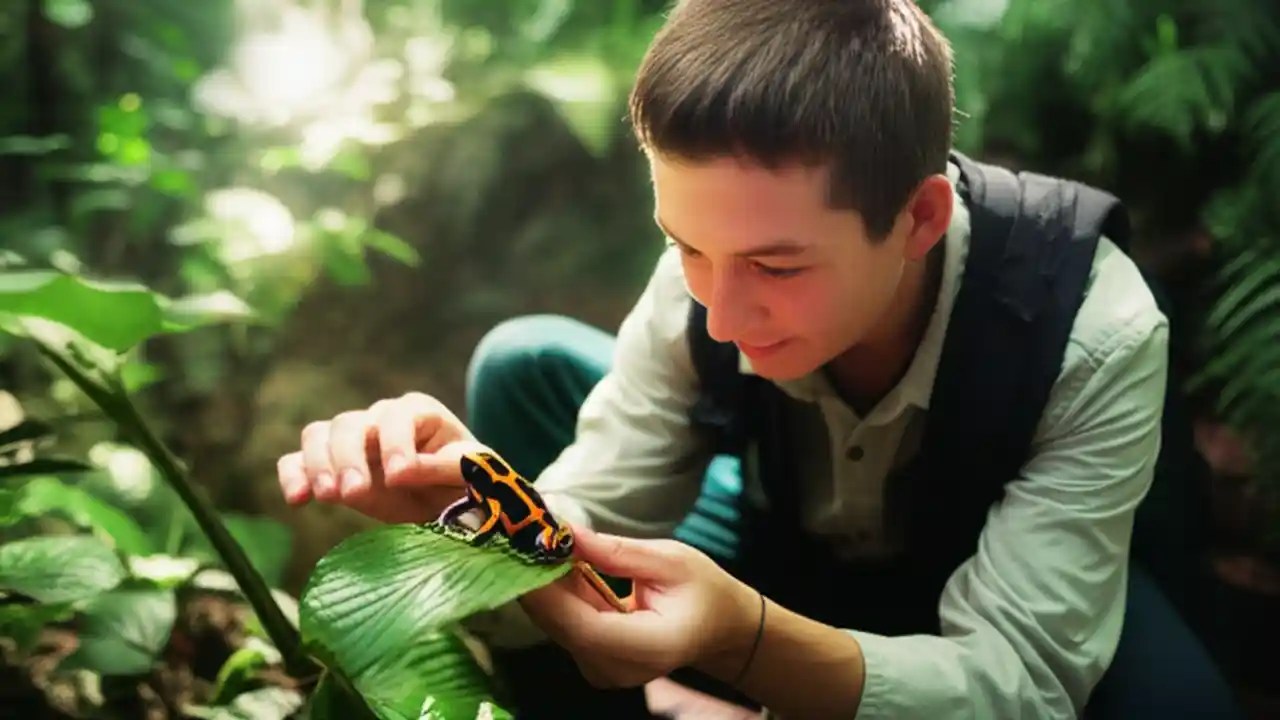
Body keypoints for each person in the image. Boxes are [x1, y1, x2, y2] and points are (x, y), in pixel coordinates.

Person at [276, 1, 1246, 718]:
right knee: (521, 363)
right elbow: (594, 506)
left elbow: (1021, 684)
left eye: (776, 266)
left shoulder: (1093, 327)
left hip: (1006, 585)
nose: (722, 311)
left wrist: (745, 640)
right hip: (784, 544)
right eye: (686, 246)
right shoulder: (705, 282)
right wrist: (469, 518)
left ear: (917, 219)